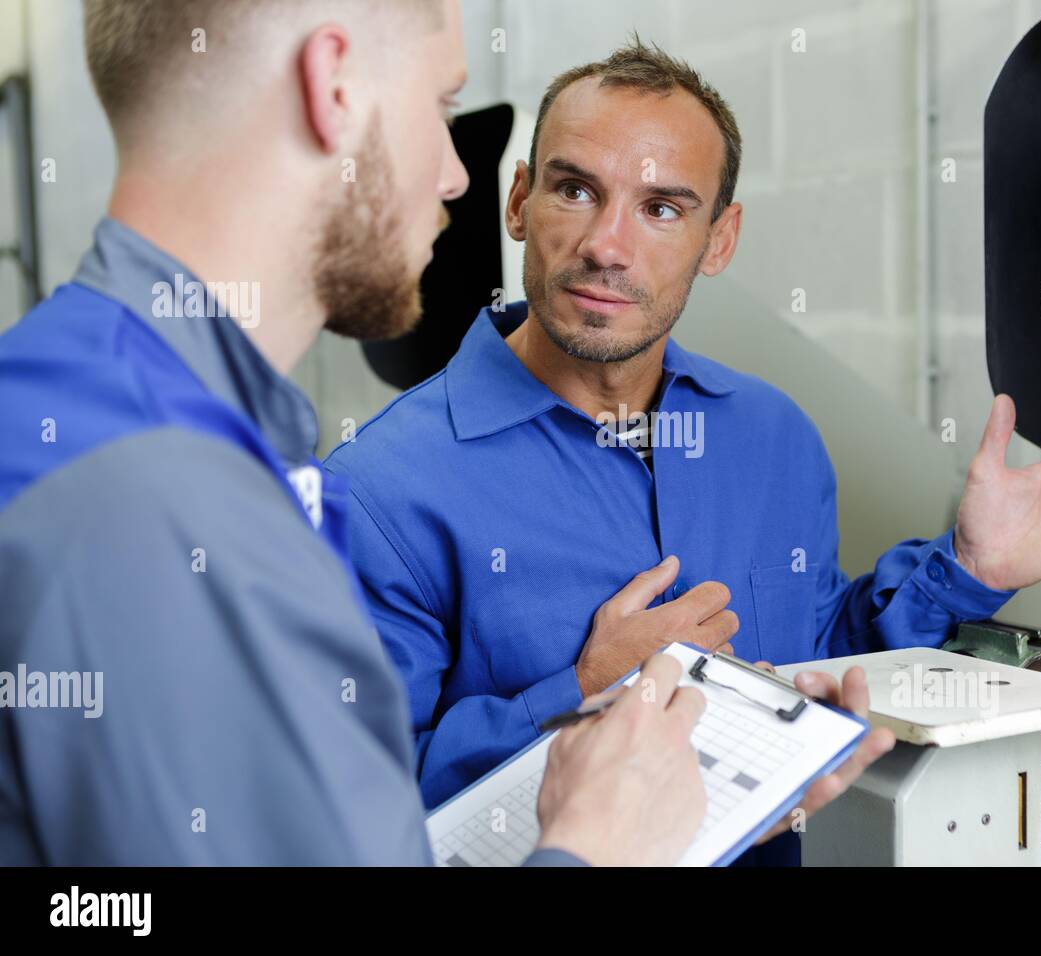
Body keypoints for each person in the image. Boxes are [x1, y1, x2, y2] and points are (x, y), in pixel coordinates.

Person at [0, 0, 892, 867]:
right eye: (442, 106)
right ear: (333, 86)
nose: (454, 176)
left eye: (662, 207)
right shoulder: (158, 496)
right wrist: (593, 840)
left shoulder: (187, 450)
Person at [323, 38, 1041, 864]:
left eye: (662, 208)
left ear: (719, 239)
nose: (607, 245)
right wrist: (579, 692)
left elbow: (818, 657)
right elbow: (349, 807)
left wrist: (967, 566)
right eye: (575, 190)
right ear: (518, 202)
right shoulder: (378, 491)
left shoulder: (774, 437)